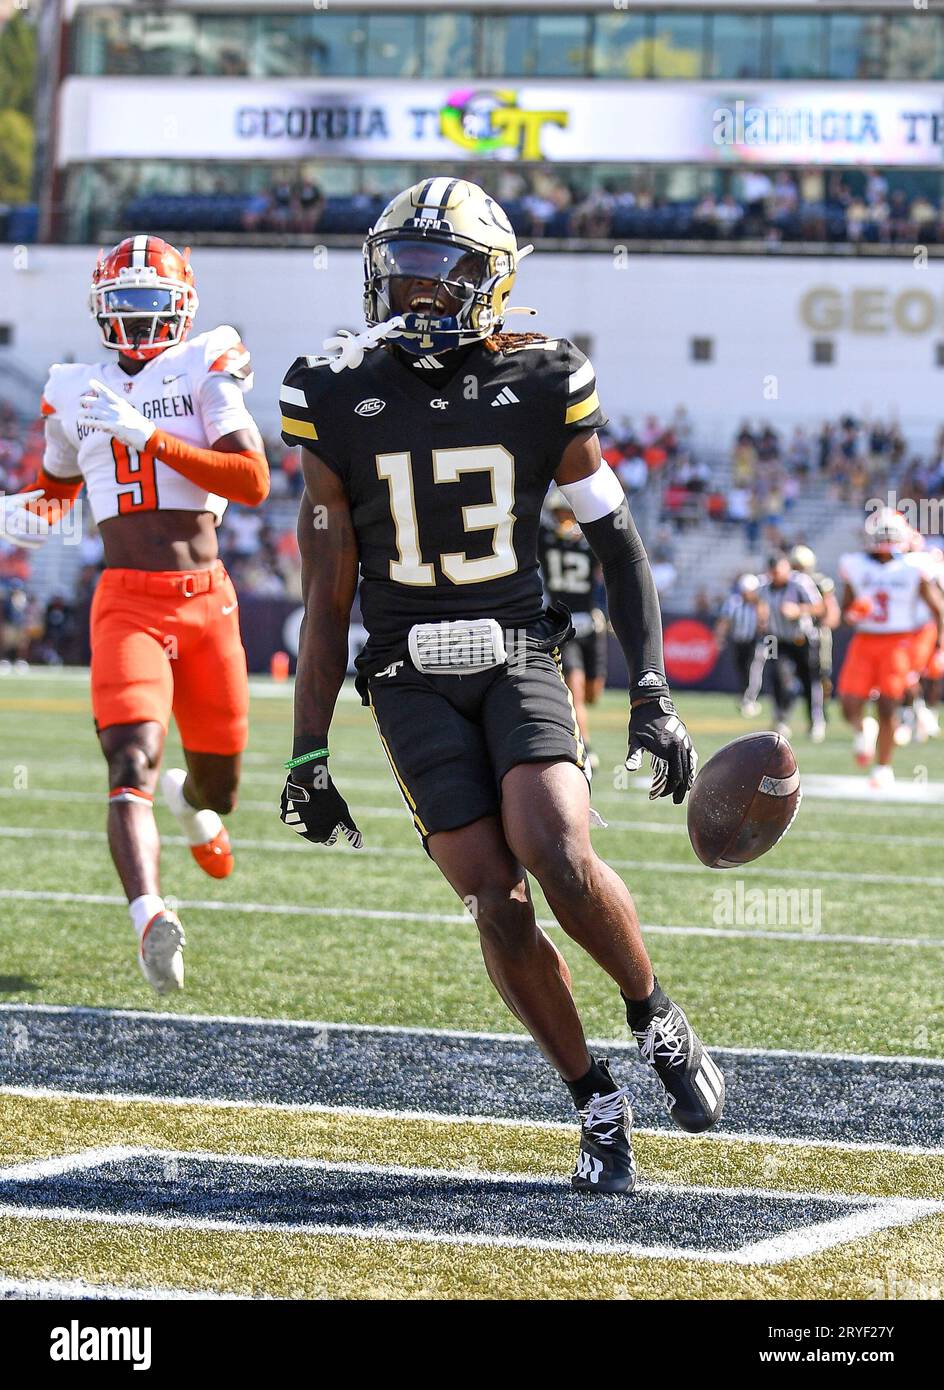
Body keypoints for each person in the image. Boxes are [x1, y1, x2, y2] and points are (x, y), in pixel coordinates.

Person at [278, 178, 723, 1194]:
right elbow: (326, 584)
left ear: (492, 283)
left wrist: (649, 692)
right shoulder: (330, 392)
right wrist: (307, 750)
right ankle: (592, 1100)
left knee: (556, 849)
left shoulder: (541, 379)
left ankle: (651, 1010)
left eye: (443, 278)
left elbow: (616, 543)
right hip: (404, 674)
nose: (419, 297)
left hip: (516, 648)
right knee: (494, 896)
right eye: (403, 276)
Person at [0, 235, 269, 992]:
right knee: (128, 766)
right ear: (101, 311)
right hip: (127, 602)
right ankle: (149, 914)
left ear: (183, 307)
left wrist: (147, 435)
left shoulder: (204, 364)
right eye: (128, 305)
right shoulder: (68, 387)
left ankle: (194, 808)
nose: (144, 320)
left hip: (207, 603)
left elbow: (251, 480)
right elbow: (57, 499)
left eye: (156, 303)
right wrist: (15, 513)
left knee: (219, 789)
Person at [837, 509, 944, 789]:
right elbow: (846, 608)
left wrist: (939, 644)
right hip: (865, 640)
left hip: (898, 641)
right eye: (881, 534)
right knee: (848, 704)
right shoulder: (856, 564)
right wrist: (853, 613)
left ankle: (883, 767)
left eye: (889, 534)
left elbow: (938, 608)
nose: (884, 540)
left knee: (887, 705)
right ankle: (863, 728)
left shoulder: (913, 566)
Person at [538, 490, 607, 768]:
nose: (565, 521)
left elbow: (618, 556)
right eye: (560, 516)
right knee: (574, 690)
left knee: (593, 693)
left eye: (569, 515)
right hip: (564, 626)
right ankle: (585, 747)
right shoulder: (543, 540)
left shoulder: (590, 543)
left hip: (590, 624)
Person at [755, 552, 826, 739]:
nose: (775, 576)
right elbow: (760, 604)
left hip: (802, 638)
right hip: (775, 638)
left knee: (809, 680)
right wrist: (762, 620)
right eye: (772, 572)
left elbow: (819, 607)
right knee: (777, 678)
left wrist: (798, 610)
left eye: (778, 571)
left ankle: (815, 720)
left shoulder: (800, 583)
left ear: (787, 568)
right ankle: (780, 719)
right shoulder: (764, 586)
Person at [789, 544, 840, 740]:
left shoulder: (820, 582)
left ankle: (820, 715)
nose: (798, 569)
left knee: (820, 676)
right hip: (794, 636)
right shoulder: (789, 582)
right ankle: (806, 717)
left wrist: (821, 628)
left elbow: (831, 610)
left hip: (817, 635)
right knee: (796, 679)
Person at [715, 573, 763, 716]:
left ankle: (749, 699)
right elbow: (724, 621)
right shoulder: (734, 602)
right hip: (738, 641)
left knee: (753, 669)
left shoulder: (761, 604)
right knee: (741, 670)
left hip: (755, 641)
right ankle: (745, 698)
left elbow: (765, 624)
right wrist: (720, 638)